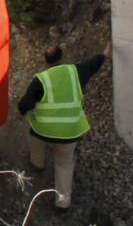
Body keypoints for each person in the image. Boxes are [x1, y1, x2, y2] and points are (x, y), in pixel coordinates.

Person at [13, 44, 108, 210]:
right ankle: (62, 202)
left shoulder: (41, 79)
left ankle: (37, 162)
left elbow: (25, 104)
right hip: (71, 132)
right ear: (62, 57)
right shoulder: (76, 72)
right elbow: (95, 63)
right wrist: (107, 52)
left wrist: (20, 114)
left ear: (45, 61)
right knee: (64, 163)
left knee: (30, 121)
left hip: (45, 131)